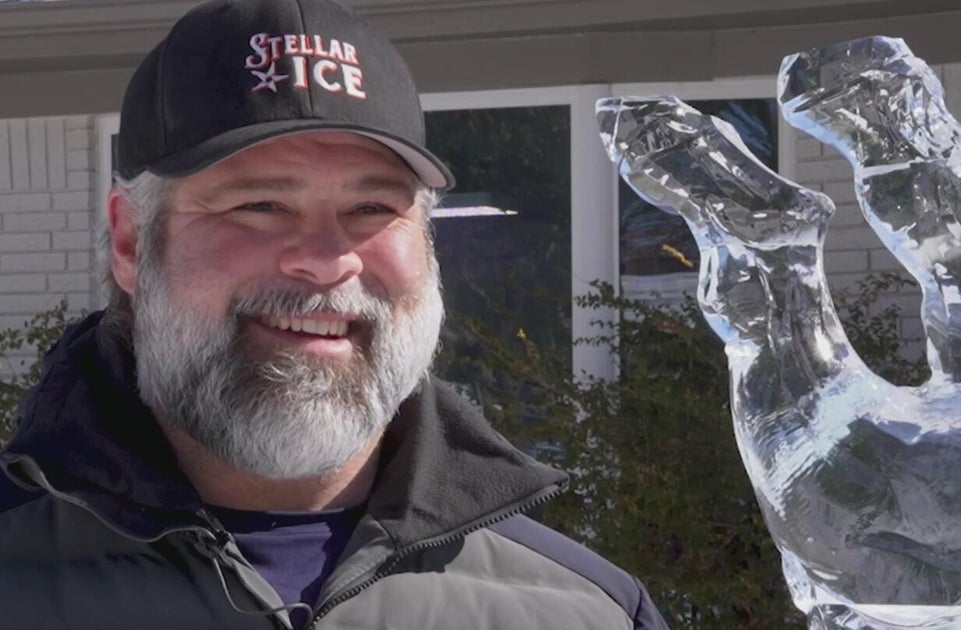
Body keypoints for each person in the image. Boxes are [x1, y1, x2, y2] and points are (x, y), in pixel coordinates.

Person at [0, 0, 669, 628]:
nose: (326, 261)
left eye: (372, 207)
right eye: (260, 204)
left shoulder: (586, 611)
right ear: (130, 243)